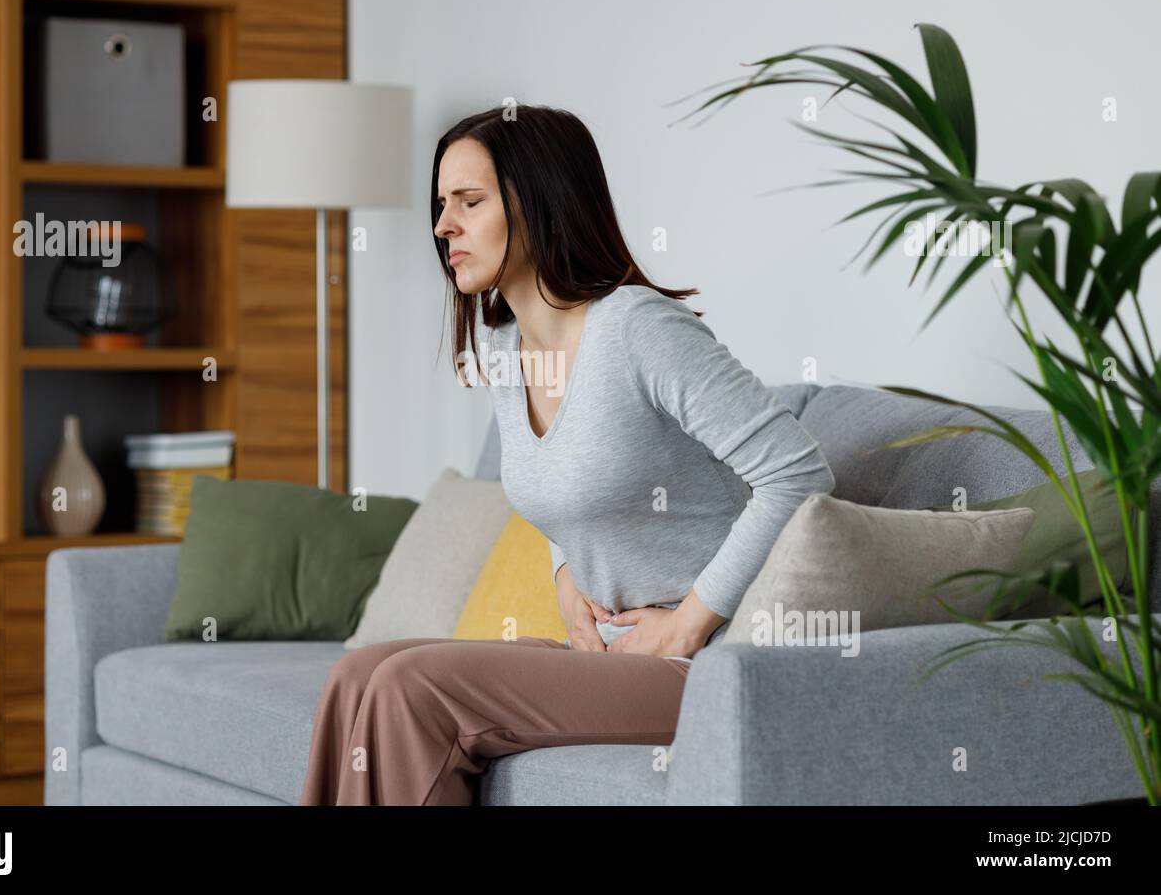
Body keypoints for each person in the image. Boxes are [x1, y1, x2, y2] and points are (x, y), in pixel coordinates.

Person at [299, 105, 835, 805]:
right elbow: (561, 486)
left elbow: (799, 476)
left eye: (469, 202)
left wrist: (685, 624)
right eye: (441, 206)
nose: (442, 227)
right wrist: (563, 577)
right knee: (355, 677)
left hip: (709, 667)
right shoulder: (503, 349)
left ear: (541, 200)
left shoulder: (637, 329)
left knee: (412, 687)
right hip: (607, 657)